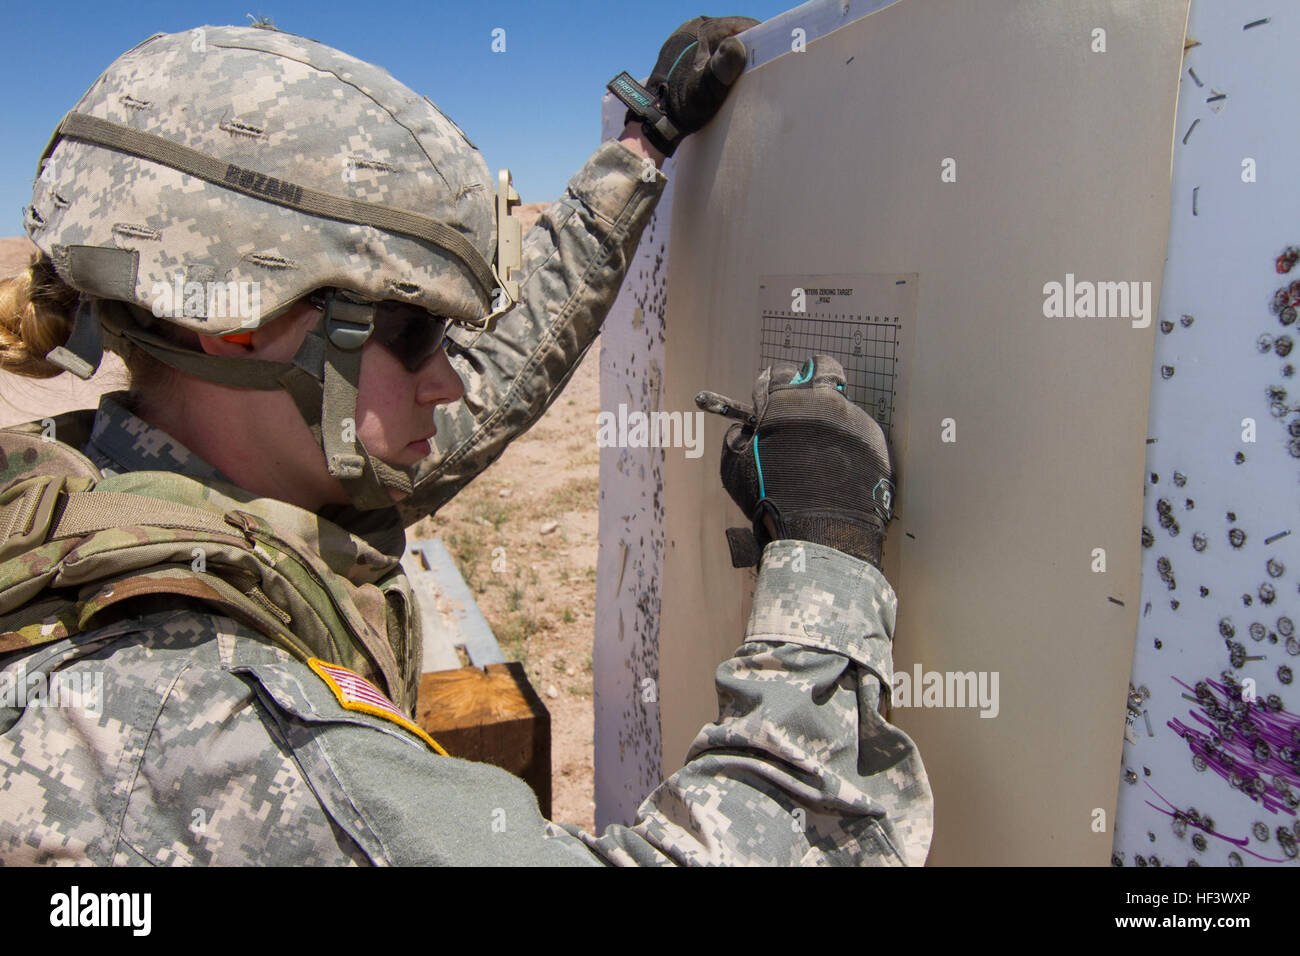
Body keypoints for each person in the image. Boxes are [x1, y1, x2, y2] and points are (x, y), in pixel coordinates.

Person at [0, 19, 931, 865]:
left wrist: (638, 151)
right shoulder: (194, 727)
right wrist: (825, 561)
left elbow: (491, 376)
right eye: (411, 334)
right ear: (235, 322)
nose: (446, 380)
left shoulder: (139, 477)